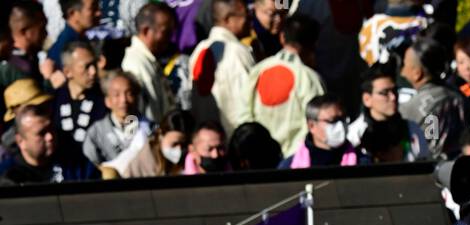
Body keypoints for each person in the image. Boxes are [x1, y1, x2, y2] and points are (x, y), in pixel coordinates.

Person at [245, 13, 324, 159]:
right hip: (296, 160)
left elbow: (244, 112)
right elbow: (318, 122)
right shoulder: (310, 78)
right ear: (314, 43)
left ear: (282, 37)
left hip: (259, 157)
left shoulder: (258, 70)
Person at [189, 0, 255, 138]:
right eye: (246, 15)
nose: (251, 19)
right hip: (234, 138)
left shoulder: (199, 49)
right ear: (228, 19)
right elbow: (246, 102)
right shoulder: (236, 52)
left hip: (206, 139)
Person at [346, 60, 427, 161]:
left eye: (394, 91)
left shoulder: (412, 128)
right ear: (367, 99)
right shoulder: (353, 136)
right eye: (384, 93)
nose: (393, 97)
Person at [400, 38, 463, 162]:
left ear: (417, 73)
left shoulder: (417, 107)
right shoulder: (458, 95)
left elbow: (432, 144)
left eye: (405, 65)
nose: (402, 71)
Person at [52, 39, 104, 178]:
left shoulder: (106, 98)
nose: (93, 72)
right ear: (68, 71)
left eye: (94, 65)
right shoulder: (53, 99)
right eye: (86, 66)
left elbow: (132, 119)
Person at [82, 70, 151, 170]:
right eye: (116, 95)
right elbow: (89, 167)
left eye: (129, 94)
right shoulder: (96, 132)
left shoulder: (151, 129)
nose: (123, 100)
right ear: (107, 101)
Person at [121, 1, 175, 126]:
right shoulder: (134, 65)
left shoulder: (148, 60)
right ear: (146, 30)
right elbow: (131, 115)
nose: (170, 38)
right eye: (165, 32)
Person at [288, 93, 357, 169]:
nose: (340, 125)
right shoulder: (290, 167)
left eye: (342, 119)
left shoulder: (363, 163)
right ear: (312, 126)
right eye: (333, 121)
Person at [122, 105, 191, 176]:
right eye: (174, 144)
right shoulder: (141, 162)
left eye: (184, 144)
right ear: (161, 135)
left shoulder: (190, 159)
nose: (179, 149)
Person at [47, 0, 101, 68]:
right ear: (72, 13)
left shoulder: (82, 39)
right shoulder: (65, 49)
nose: (98, 13)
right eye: (92, 8)